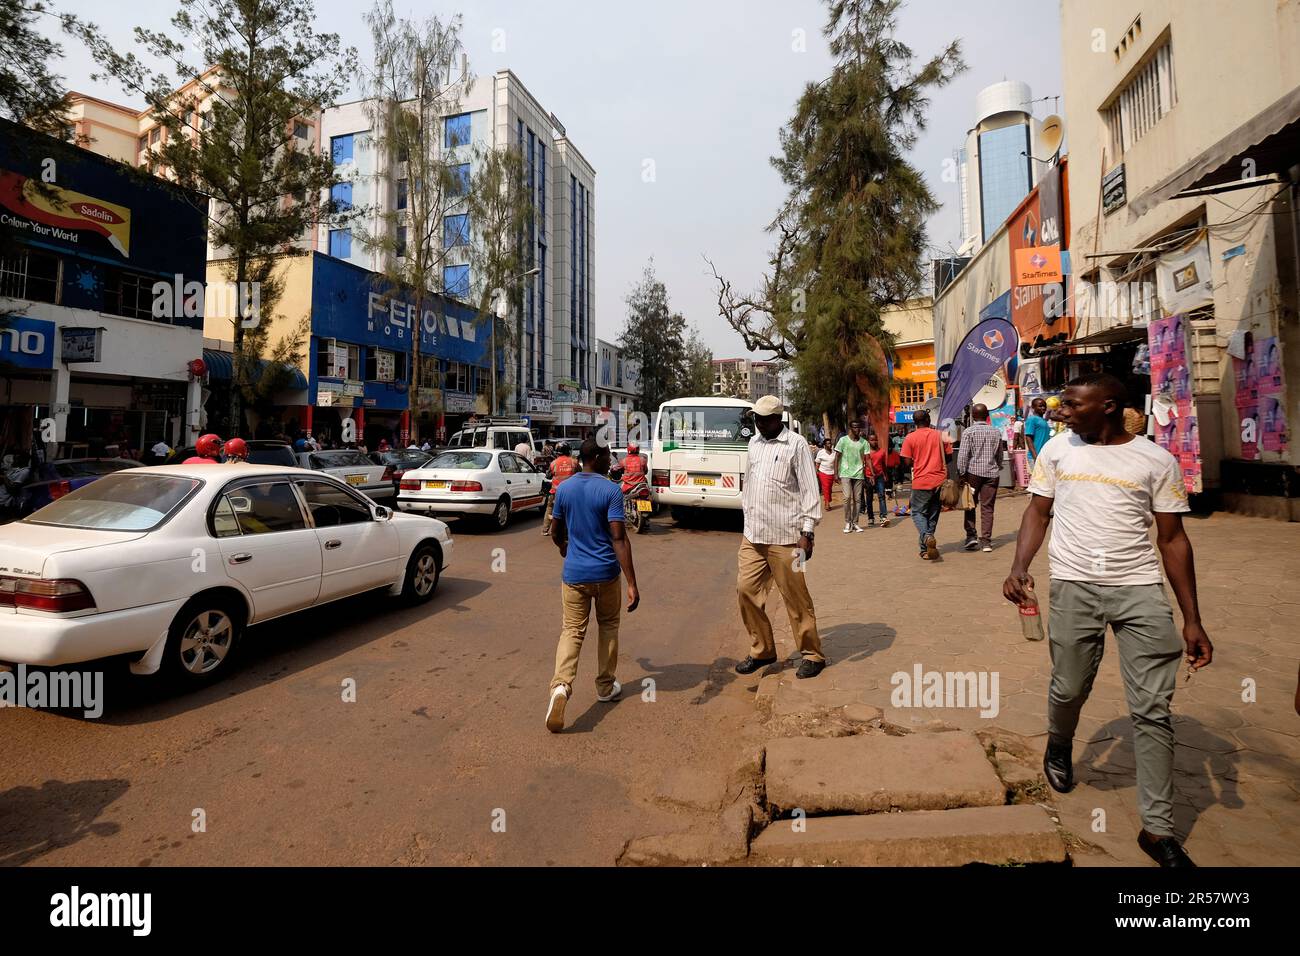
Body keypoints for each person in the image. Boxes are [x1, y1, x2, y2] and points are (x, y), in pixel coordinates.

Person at [1004, 373, 1212, 868]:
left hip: (1139, 591)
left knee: (1153, 710)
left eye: (1073, 404)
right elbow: (1038, 512)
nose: (1062, 411)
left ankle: (1157, 829)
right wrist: (1018, 566)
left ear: (1110, 406)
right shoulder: (1057, 451)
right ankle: (1059, 742)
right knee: (1069, 686)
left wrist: (1192, 619)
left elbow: (1173, 540)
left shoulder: (1156, 460)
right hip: (1074, 585)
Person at [545, 437, 640, 733]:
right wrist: (632, 583)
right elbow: (619, 538)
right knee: (609, 626)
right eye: (608, 455)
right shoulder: (611, 491)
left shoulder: (564, 489)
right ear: (597, 458)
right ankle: (604, 686)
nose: (611, 459)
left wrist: (564, 548)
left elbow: (556, 532)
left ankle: (560, 688)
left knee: (572, 631)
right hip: (606, 574)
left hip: (574, 575)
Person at [734, 395, 826, 680]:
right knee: (745, 590)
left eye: (765, 419)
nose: (760, 424)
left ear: (778, 419)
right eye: (756, 419)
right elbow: (749, 483)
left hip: (789, 537)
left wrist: (807, 532)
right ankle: (763, 651)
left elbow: (811, 490)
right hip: (754, 536)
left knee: (796, 597)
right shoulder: (754, 443)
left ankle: (812, 654)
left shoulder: (796, 445)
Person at [957, 403, 1003, 552]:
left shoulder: (968, 432)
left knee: (970, 504)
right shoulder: (996, 432)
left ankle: (971, 536)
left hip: (973, 474)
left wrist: (961, 473)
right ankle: (987, 541)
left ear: (973, 416)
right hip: (992, 474)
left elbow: (963, 455)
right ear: (987, 416)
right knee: (988, 507)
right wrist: (998, 466)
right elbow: (999, 456)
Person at [900, 410, 946, 560]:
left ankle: (927, 537)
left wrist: (919, 461)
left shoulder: (910, 438)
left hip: (921, 480)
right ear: (928, 419)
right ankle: (925, 549)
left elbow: (906, 462)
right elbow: (949, 456)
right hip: (939, 480)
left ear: (914, 422)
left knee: (918, 513)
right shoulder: (940, 435)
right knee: (932, 515)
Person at [833, 420, 870, 534]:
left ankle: (855, 522)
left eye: (858, 427)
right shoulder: (843, 440)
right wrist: (835, 473)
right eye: (854, 427)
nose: (857, 429)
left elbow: (868, 458)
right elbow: (837, 457)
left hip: (859, 473)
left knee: (858, 499)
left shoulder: (864, 442)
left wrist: (872, 473)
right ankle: (848, 522)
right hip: (845, 473)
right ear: (850, 428)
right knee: (847, 497)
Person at [542, 441, 577, 536]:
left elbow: (548, 475)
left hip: (555, 492)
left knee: (549, 508)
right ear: (568, 451)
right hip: (570, 493)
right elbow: (580, 474)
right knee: (571, 510)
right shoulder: (574, 462)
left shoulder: (554, 463)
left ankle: (545, 529)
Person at [863, 433, 890, 527]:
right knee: (869, 498)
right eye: (871, 440)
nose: (874, 442)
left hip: (879, 476)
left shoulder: (882, 451)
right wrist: (864, 478)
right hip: (868, 477)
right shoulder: (865, 452)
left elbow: (883, 465)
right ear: (868, 441)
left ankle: (883, 516)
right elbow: (863, 465)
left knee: (881, 496)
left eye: (875, 440)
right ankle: (870, 517)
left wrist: (886, 475)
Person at [1024, 397, 1052, 466]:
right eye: (1040, 406)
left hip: (1045, 456)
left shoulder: (1043, 421)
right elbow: (1028, 438)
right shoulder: (1032, 419)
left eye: (1044, 406)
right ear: (1033, 407)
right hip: (1036, 457)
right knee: (1037, 477)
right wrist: (1035, 456)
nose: (1043, 408)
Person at [814, 437, 836, 506]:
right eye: (828, 444)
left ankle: (828, 499)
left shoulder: (834, 452)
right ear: (824, 445)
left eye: (830, 443)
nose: (829, 445)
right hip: (823, 472)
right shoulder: (821, 452)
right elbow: (817, 463)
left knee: (829, 488)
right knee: (825, 487)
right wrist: (817, 471)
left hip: (832, 473)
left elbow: (836, 463)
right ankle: (827, 503)